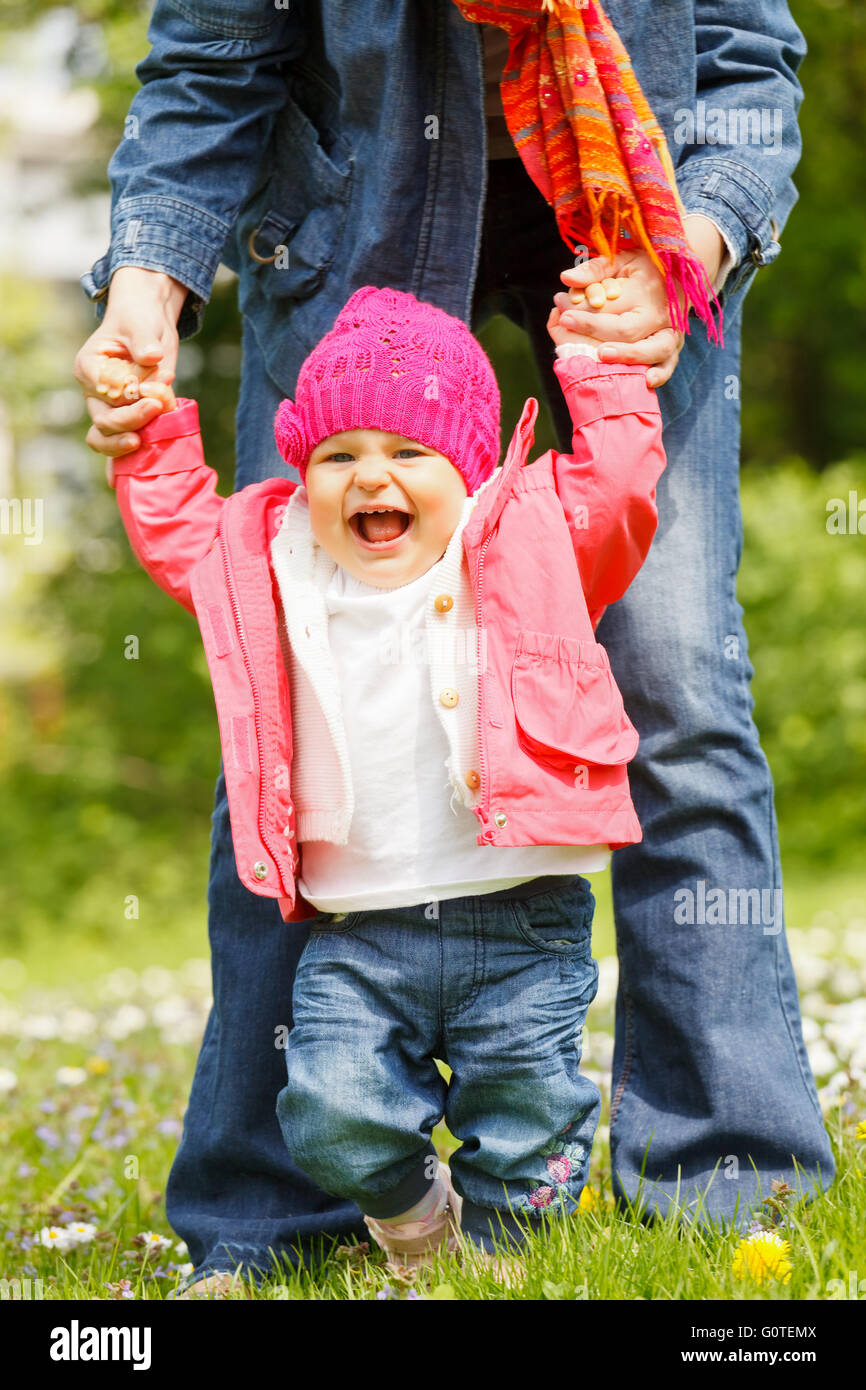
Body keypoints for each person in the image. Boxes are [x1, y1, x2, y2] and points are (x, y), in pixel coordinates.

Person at [75, 1, 834, 1292]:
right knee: (284, 676)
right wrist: (147, 289)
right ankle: (275, 1204)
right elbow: (213, 60)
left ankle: (724, 1180)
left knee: (677, 683)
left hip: (624, 209)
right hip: (353, 203)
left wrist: (688, 243)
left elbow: (746, 65)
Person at [96, 281, 667, 1281]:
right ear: (300, 472)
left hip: (518, 913)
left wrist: (600, 367)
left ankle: (509, 1252)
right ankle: (416, 1221)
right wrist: (150, 433)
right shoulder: (274, 559)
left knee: (529, 1113)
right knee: (328, 1108)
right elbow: (181, 528)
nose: (371, 480)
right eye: (337, 457)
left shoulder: (525, 537)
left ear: (470, 470)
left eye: (408, 454)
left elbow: (618, 487)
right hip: (357, 928)